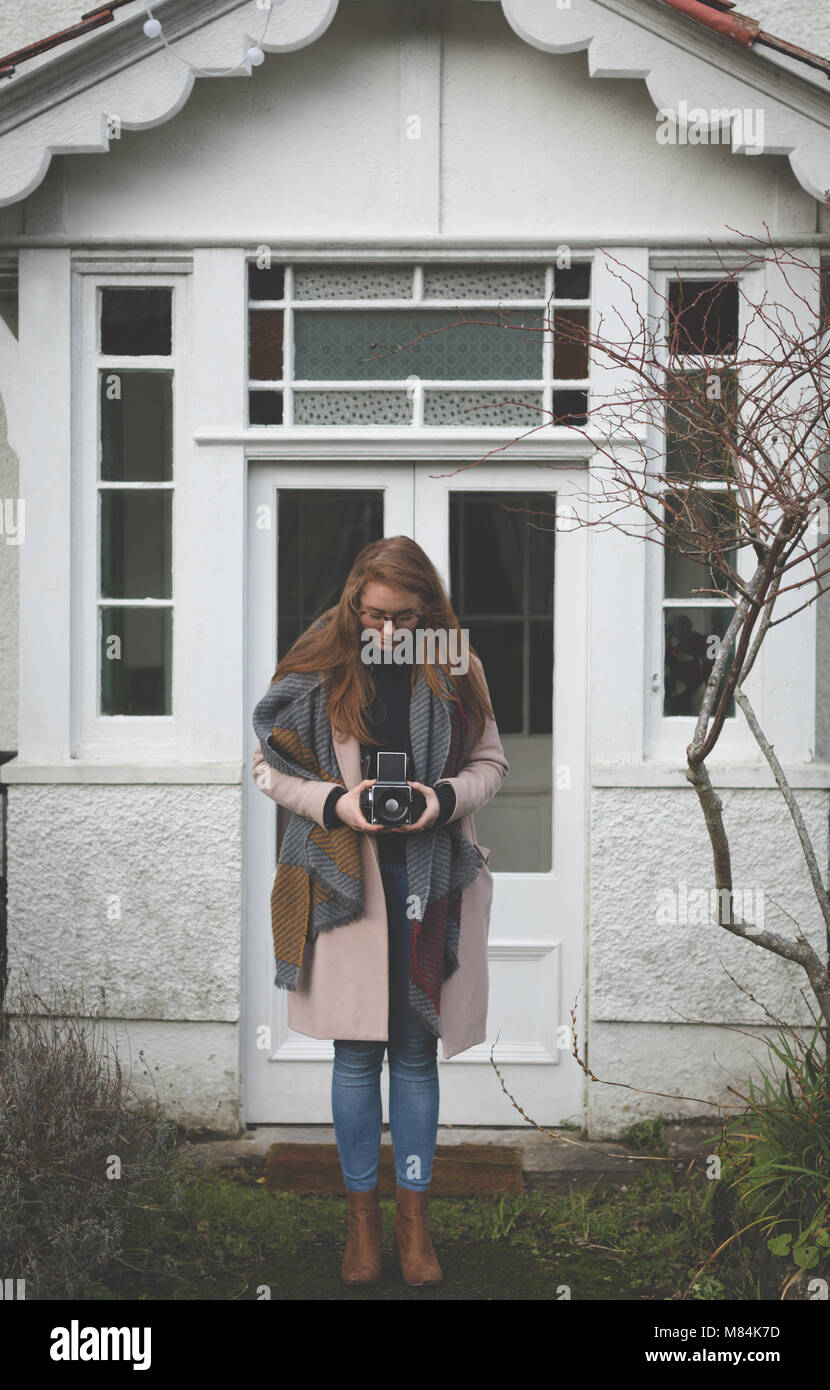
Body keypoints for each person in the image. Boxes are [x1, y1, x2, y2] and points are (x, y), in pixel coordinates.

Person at [251, 535, 509, 1286]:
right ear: (352, 605)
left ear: (428, 608)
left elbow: (491, 762)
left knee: (417, 1055)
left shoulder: (458, 666)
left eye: (400, 617)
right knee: (358, 1054)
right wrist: (336, 801)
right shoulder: (319, 663)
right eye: (371, 614)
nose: (385, 632)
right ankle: (362, 1226)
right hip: (345, 882)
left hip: (432, 881)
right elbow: (269, 766)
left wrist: (443, 798)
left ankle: (414, 1226)